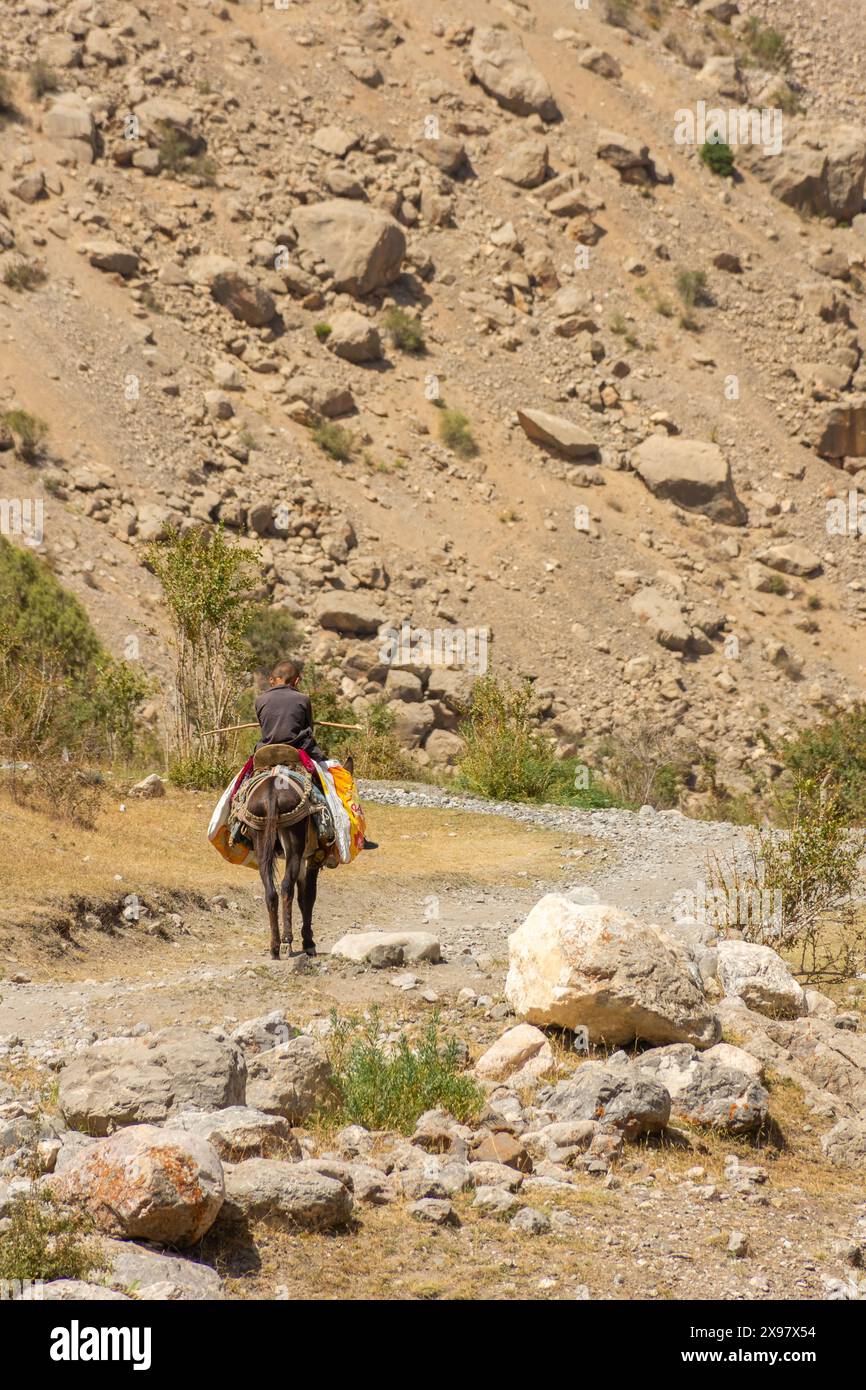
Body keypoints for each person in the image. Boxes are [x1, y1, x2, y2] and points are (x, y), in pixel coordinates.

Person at [254, 660, 326, 763]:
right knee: (333, 771)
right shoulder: (303, 699)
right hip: (299, 749)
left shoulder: (260, 700)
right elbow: (309, 727)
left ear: (271, 680)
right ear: (296, 681)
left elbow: (264, 727)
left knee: (242, 777)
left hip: (266, 751)